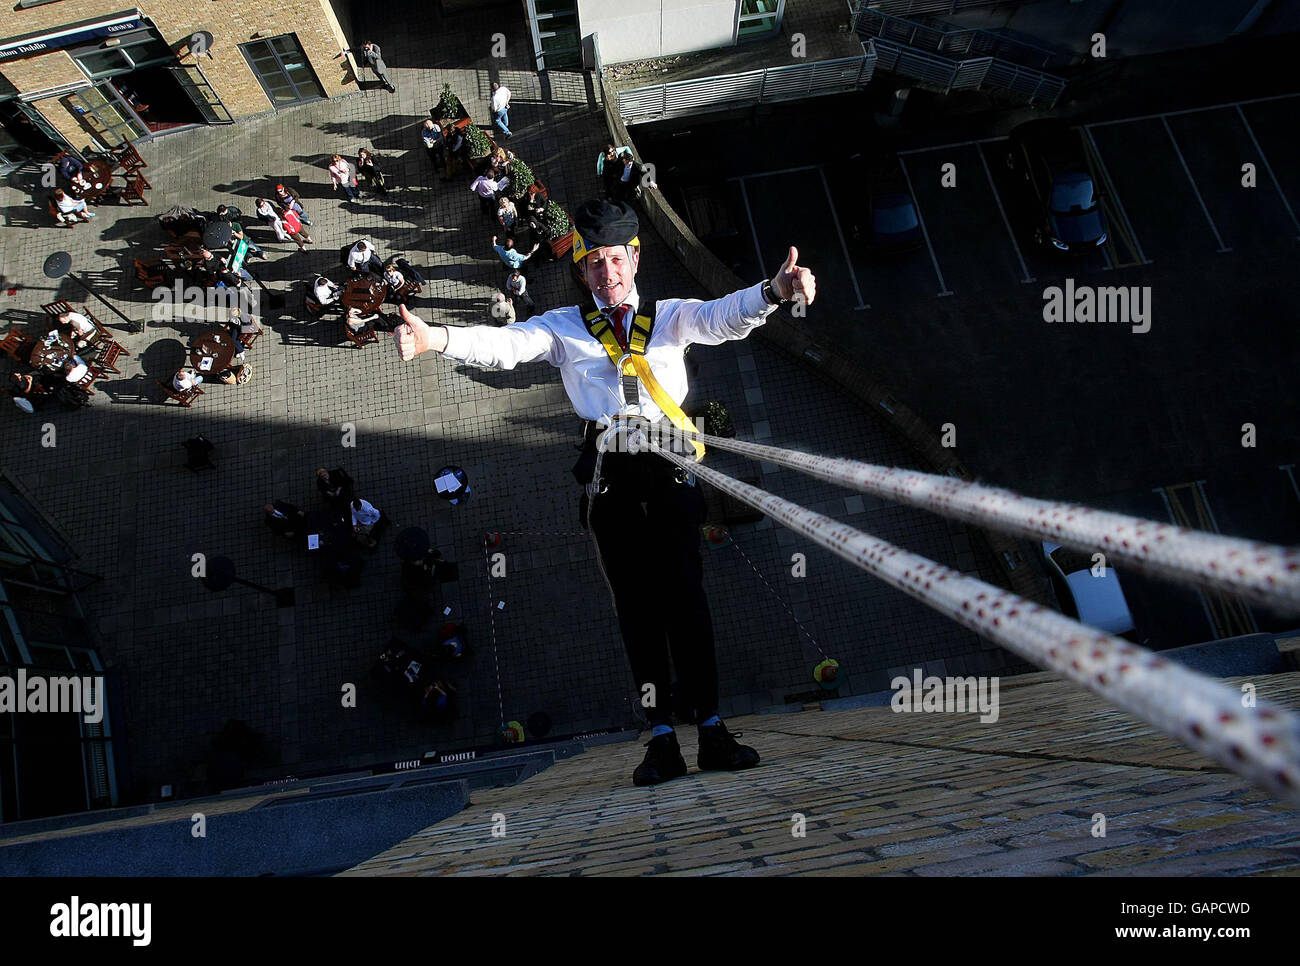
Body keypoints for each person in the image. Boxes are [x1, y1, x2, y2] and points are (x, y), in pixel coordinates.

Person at [392, 198, 817, 787]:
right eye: (594, 263)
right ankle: (662, 737)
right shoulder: (564, 328)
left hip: (666, 465)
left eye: (615, 260)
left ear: (635, 259)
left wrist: (771, 292)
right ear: (582, 268)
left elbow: (721, 317)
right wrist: (438, 338)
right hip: (610, 475)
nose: (606, 273)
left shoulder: (669, 317)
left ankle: (712, 728)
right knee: (636, 609)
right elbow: (507, 345)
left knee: (686, 601)